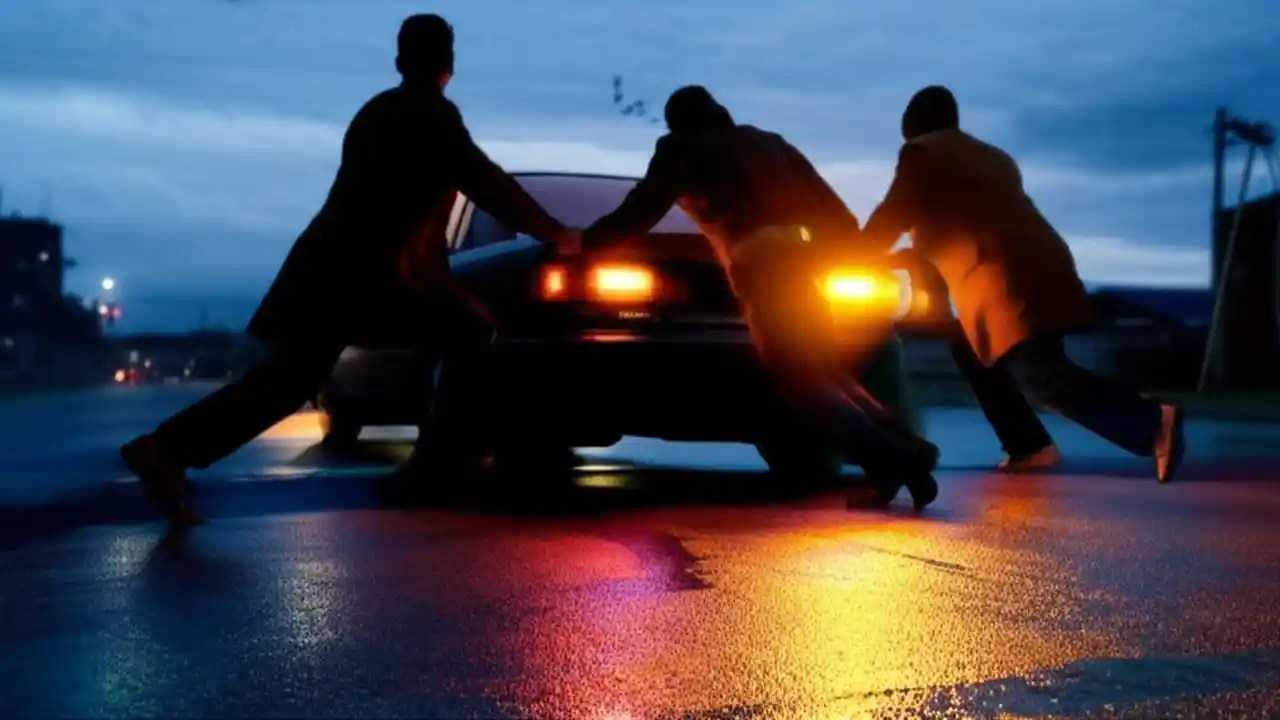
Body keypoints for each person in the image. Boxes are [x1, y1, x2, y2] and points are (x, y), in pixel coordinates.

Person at [120, 14, 577, 524]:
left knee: (287, 382)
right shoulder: (429, 115)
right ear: (447, 64)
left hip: (331, 270)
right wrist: (554, 231)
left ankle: (165, 450)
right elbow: (484, 181)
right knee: (466, 328)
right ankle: (433, 466)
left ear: (401, 59)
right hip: (361, 275)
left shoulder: (377, 112)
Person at [582, 85, 940, 509]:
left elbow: (641, 209)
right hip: (807, 267)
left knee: (798, 379)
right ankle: (904, 458)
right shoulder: (770, 143)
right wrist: (846, 257)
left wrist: (586, 240)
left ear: (678, 122)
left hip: (761, 267)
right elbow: (835, 211)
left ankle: (896, 459)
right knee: (825, 372)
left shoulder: (681, 147)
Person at [860, 85, 1185, 481]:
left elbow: (893, 214)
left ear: (912, 128)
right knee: (969, 348)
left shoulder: (922, 152)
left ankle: (1151, 423)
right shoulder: (990, 157)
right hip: (1038, 262)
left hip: (1005, 278)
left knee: (1040, 376)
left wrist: (849, 254)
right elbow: (951, 224)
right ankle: (1028, 445)